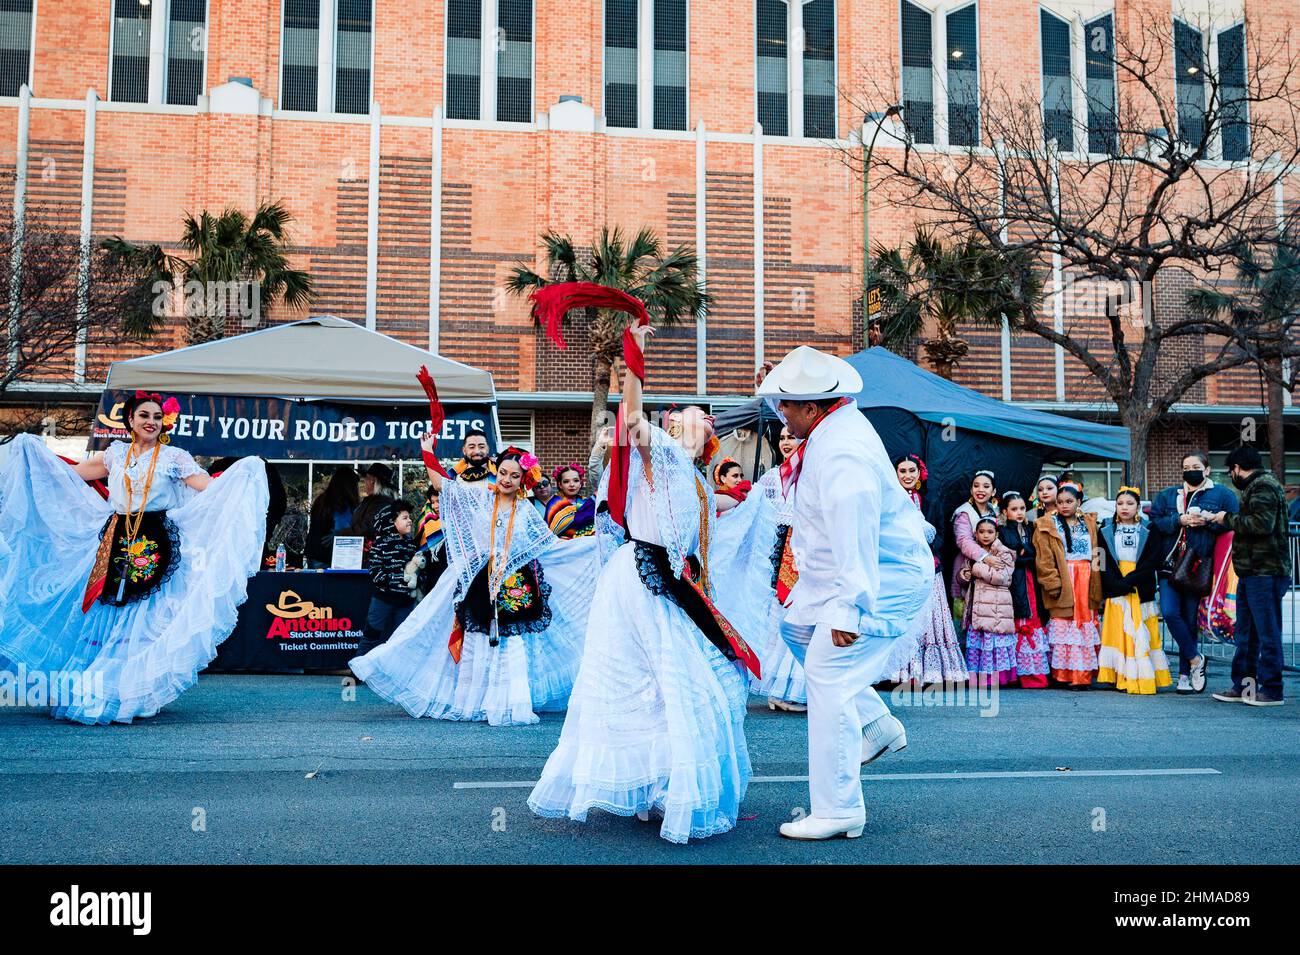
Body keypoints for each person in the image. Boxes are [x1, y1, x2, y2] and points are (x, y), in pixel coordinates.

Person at [529, 325, 775, 844]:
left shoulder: (698, 482)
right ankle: (653, 786)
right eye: (691, 410)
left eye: (704, 416)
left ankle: (661, 785)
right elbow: (633, 417)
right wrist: (634, 358)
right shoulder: (656, 452)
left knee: (677, 683)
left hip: (673, 582)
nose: (701, 414)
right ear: (673, 423)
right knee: (664, 680)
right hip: (643, 578)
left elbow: (746, 505)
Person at [0, 390, 269, 724]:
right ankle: (99, 685)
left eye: (157, 417)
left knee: (143, 618)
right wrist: (36, 459)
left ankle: (129, 692)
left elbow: (204, 485)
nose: (151, 423)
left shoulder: (173, 458)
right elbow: (73, 474)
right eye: (144, 416)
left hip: (153, 540)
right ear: (130, 420)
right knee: (108, 613)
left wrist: (239, 478)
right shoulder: (115, 454)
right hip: (114, 537)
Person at [756, 346, 933, 841]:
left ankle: (838, 809)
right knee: (795, 629)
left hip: (882, 579)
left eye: (786, 405)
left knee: (827, 674)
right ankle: (875, 724)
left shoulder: (840, 454)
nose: (780, 415)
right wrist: (775, 385)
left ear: (812, 408)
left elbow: (854, 539)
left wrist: (849, 610)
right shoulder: (829, 425)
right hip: (850, 574)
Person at [350, 444, 601, 725]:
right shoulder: (480, 498)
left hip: (516, 585)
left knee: (512, 644)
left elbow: (549, 548)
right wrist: (427, 453)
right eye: (503, 472)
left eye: (514, 476)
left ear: (523, 481)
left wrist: (594, 545)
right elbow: (444, 487)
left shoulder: (528, 513)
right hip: (481, 582)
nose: (506, 479)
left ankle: (510, 702)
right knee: (480, 643)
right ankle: (480, 701)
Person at [1209, 446, 1292, 707]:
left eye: (1230, 471)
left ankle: (1272, 690)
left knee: (1266, 633)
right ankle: (1244, 687)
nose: (1231, 476)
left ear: (1236, 468)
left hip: (1265, 572)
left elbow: (1261, 524)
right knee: (1246, 633)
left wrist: (1227, 518)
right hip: (1252, 571)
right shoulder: (1256, 487)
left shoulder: (1264, 486)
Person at [1148, 451, 1237, 693]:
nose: (1191, 470)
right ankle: (1197, 659)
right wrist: (1179, 520)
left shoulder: (1223, 494)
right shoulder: (1168, 495)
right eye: (1186, 466)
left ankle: (1184, 676)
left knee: (1189, 619)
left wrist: (1208, 522)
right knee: (1169, 612)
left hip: (1198, 565)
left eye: (1196, 466)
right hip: (1170, 564)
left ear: (1207, 470)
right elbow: (1154, 522)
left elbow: (1233, 521)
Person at [890, 453, 967, 686]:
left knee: (931, 618)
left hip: (928, 566)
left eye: (911, 471)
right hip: (900, 568)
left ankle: (933, 672)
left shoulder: (931, 499)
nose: (907, 475)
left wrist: (925, 549)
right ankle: (901, 673)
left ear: (920, 473)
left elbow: (943, 534)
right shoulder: (890, 500)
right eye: (902, 471)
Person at [750, 426, 810, 712]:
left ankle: (798, 690)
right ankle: (779, 690)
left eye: (791, 437)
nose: (786, 443)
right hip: (780, 554)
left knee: (804, 617)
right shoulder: (771, 478)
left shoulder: (812, 472)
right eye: (782, 438)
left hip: (807, 552)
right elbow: (755, 513)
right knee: (782, 617)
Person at [1096, 486, 1170, 695]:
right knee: (1119, 631)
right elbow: (1100, 559)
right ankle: (1119, 676)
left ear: (1138, 506)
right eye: (1120, 504)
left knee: (1142, 631)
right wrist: (1113, 582)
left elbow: (1154, 558)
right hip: (1115, 584)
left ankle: (1143, 676)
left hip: (1140, 585)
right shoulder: (1105, 529)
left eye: (1129, 504)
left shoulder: (1149, 528)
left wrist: (1132, 581)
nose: (1124, 508)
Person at [1033, 481, 1102, 688]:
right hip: (1065, 579)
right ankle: (1063, 674)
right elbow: (1044, 559)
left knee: (1084, 625)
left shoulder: (1089, 523)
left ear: (1079, 502)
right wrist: (1052, 583)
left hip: (1087, 579)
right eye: (1060, 501)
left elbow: (1098, 552)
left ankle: (1083, 675)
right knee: (1064, 625)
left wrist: (1100, 578)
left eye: (1069, 501)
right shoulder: (1047, 524)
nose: (1064, 505)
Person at [355, 500, 418, 659]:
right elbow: (376, 573)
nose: (409, 520)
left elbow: (416, 570)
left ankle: (397, 673)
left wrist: (417, 579)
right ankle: (357, 670)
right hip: (383, 600)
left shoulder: (410, 544)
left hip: (405, 601)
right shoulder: (380, 545)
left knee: (402, 638)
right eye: (404, 518)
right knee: (371, 635)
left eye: (409, 517)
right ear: (391, 522)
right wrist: (399, 579)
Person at [998, 492, 1049, 688]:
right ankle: (1015, 674)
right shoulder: (1003, 532)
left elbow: (1036, 554)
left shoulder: (1031, 529)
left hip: (1031, 579)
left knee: (1033, 615)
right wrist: (1025, 556)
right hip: (1014, 580)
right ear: (1005, 512)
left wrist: (1026, 554)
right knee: (1017, 618)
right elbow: (1009, 558)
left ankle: (1033, 675)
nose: (1019, 513)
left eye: (1022, 508)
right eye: (1014, 509)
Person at [959, 517, 1017, 686]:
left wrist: (976, 568)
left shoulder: (1003, 553)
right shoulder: (973, 553)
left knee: (991, 643)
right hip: (977, 608)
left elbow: (1002, 577)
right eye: (981, 532)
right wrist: (965, 575)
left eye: (990, 532)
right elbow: (964, 573)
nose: (985, 535)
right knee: (978, 643)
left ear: (996, 534)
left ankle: (993, 679)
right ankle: (976, 678)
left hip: (996, 608)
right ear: (975, 534)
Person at [950, 470, 1000, 636]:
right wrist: (986, 557)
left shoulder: (995, 512)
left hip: (990, 574)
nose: (980, 490)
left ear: (993, 491)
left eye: (986, 486)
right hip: (967, 570)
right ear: (971, 490)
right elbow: (963, 541)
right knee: (963, 615)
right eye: (976, 485)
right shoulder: (964, 512)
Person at [306, 467, 360, 568]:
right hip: (333, 556)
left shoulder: (321, 500)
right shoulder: (343, 503)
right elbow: (343, 528)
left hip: (315, 552)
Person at [348, 462, 398, 554]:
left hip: (371, 556)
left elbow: (368, 528)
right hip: (363, 552)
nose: (363, 481)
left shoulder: (381, 504)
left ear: (373, 480)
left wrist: (345, 533)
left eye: (366, 478)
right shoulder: (374, 501)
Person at [544, 463, 596, 538]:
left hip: (587, 545)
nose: (572, 484)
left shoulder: (585, 502)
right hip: (563, 546)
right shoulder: (554, 503)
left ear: (580, 483)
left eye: (576, 480)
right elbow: (553, 531)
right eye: (566, 481)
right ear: (560, 485)